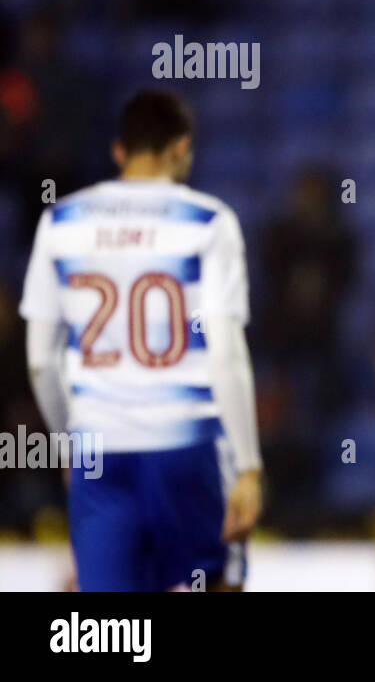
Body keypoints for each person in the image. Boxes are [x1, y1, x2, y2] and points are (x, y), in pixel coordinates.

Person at [19, 88, 262, 591]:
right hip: (187, 444)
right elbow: (224, 352)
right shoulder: (208, 221)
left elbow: (41, 362)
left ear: (118, 151)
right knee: (216, 583)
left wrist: (70, 442)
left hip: (101, 447)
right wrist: (249, 466)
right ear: (181, 147)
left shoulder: (59, 221)